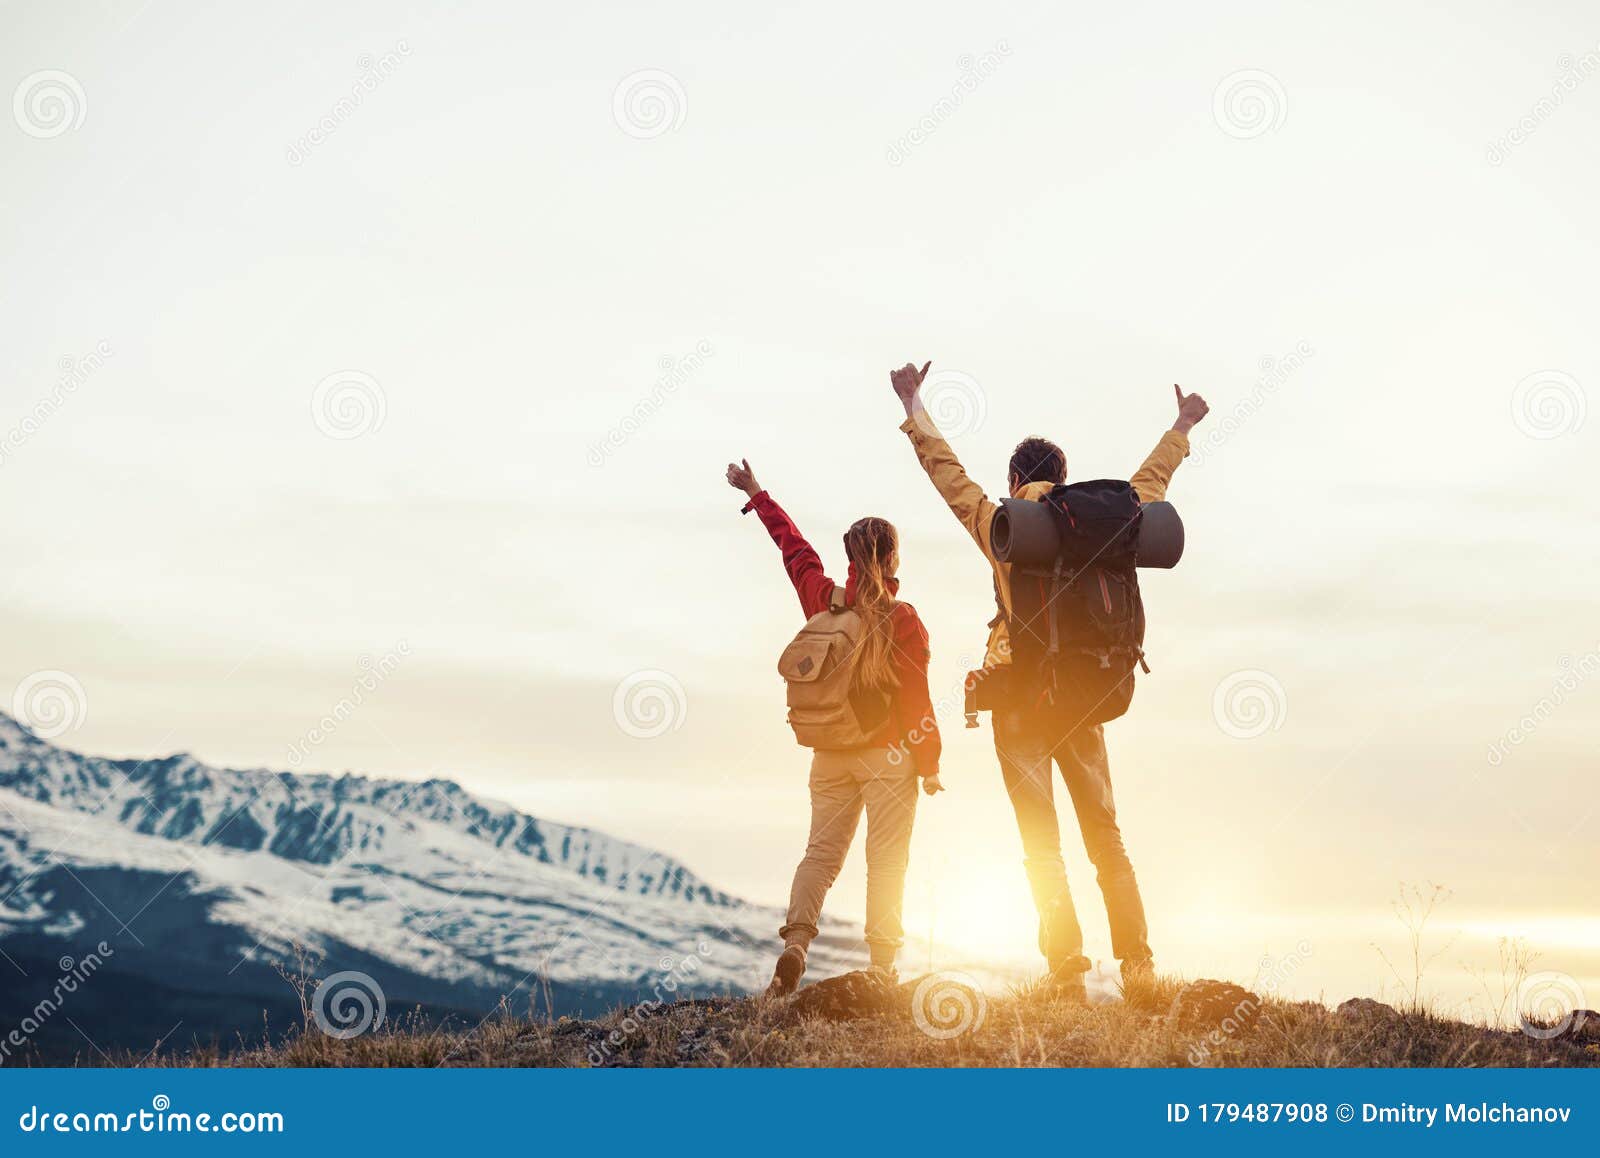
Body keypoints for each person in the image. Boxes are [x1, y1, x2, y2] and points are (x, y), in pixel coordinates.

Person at [888, 362, 1209, 998]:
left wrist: (914, 404)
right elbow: (1150, 483)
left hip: (1019, 702)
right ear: (1064, 479)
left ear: (1014, 482)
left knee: (1042, 844)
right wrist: (1182, 425)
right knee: (1106, 838)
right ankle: (1138, 965)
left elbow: (949, 479)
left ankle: (1066, 970)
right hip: (1085, 699)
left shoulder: (1002, 526)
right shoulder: (1103, 523)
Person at [726, 457, 944, 997]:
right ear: (893, 558)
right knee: (885, 862)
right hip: (889, 758)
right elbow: (918, 698)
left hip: (829, 753)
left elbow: (793, 550)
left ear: (849, 557)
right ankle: (883, 968)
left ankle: (795, 946)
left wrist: (758, 493)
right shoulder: (903, 619)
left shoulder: (822, 599)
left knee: (820, 856)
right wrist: (931, 762)